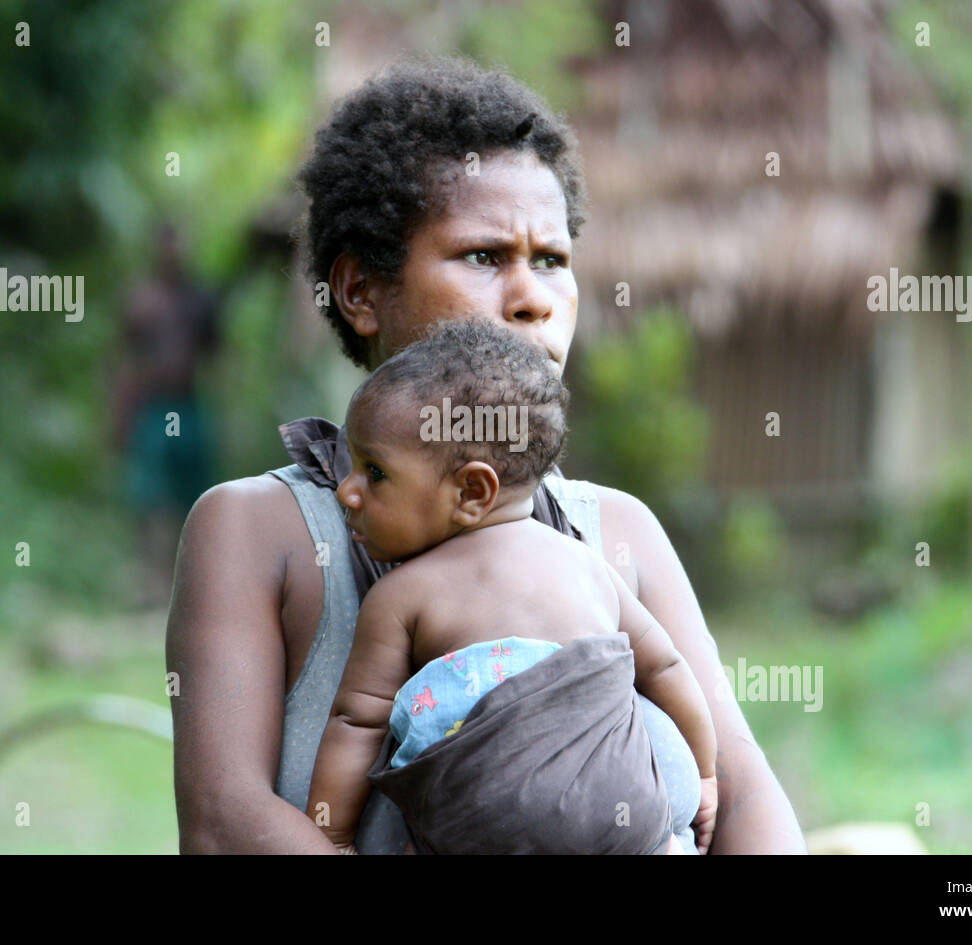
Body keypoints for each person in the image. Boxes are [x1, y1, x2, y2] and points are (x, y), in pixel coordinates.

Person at [167, 56, 806, 854]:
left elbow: (744, 792)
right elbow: (225, 824)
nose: (533, 294)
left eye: (552, 261)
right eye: (482, 256)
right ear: (360, 292)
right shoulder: (261, 530)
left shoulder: (617, 530)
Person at [303, 321, 718, 855]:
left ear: (473, 491)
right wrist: (705, 775)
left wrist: (331, 837)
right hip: (624, 805)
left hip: (488, 819)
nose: (346, 490)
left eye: (374, 472)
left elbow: (357, 721)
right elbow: (665, 668)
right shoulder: (587, 565)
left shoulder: (402, 595)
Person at [111, 224, 220, 608]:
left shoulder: (199, 300)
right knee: (150, 495)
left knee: (194, 495)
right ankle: (151, 582)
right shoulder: (142, 300)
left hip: (189, 405)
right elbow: (125, 359)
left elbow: (216, 355)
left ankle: (188, 582)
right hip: (152, 408)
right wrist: (120, 414)